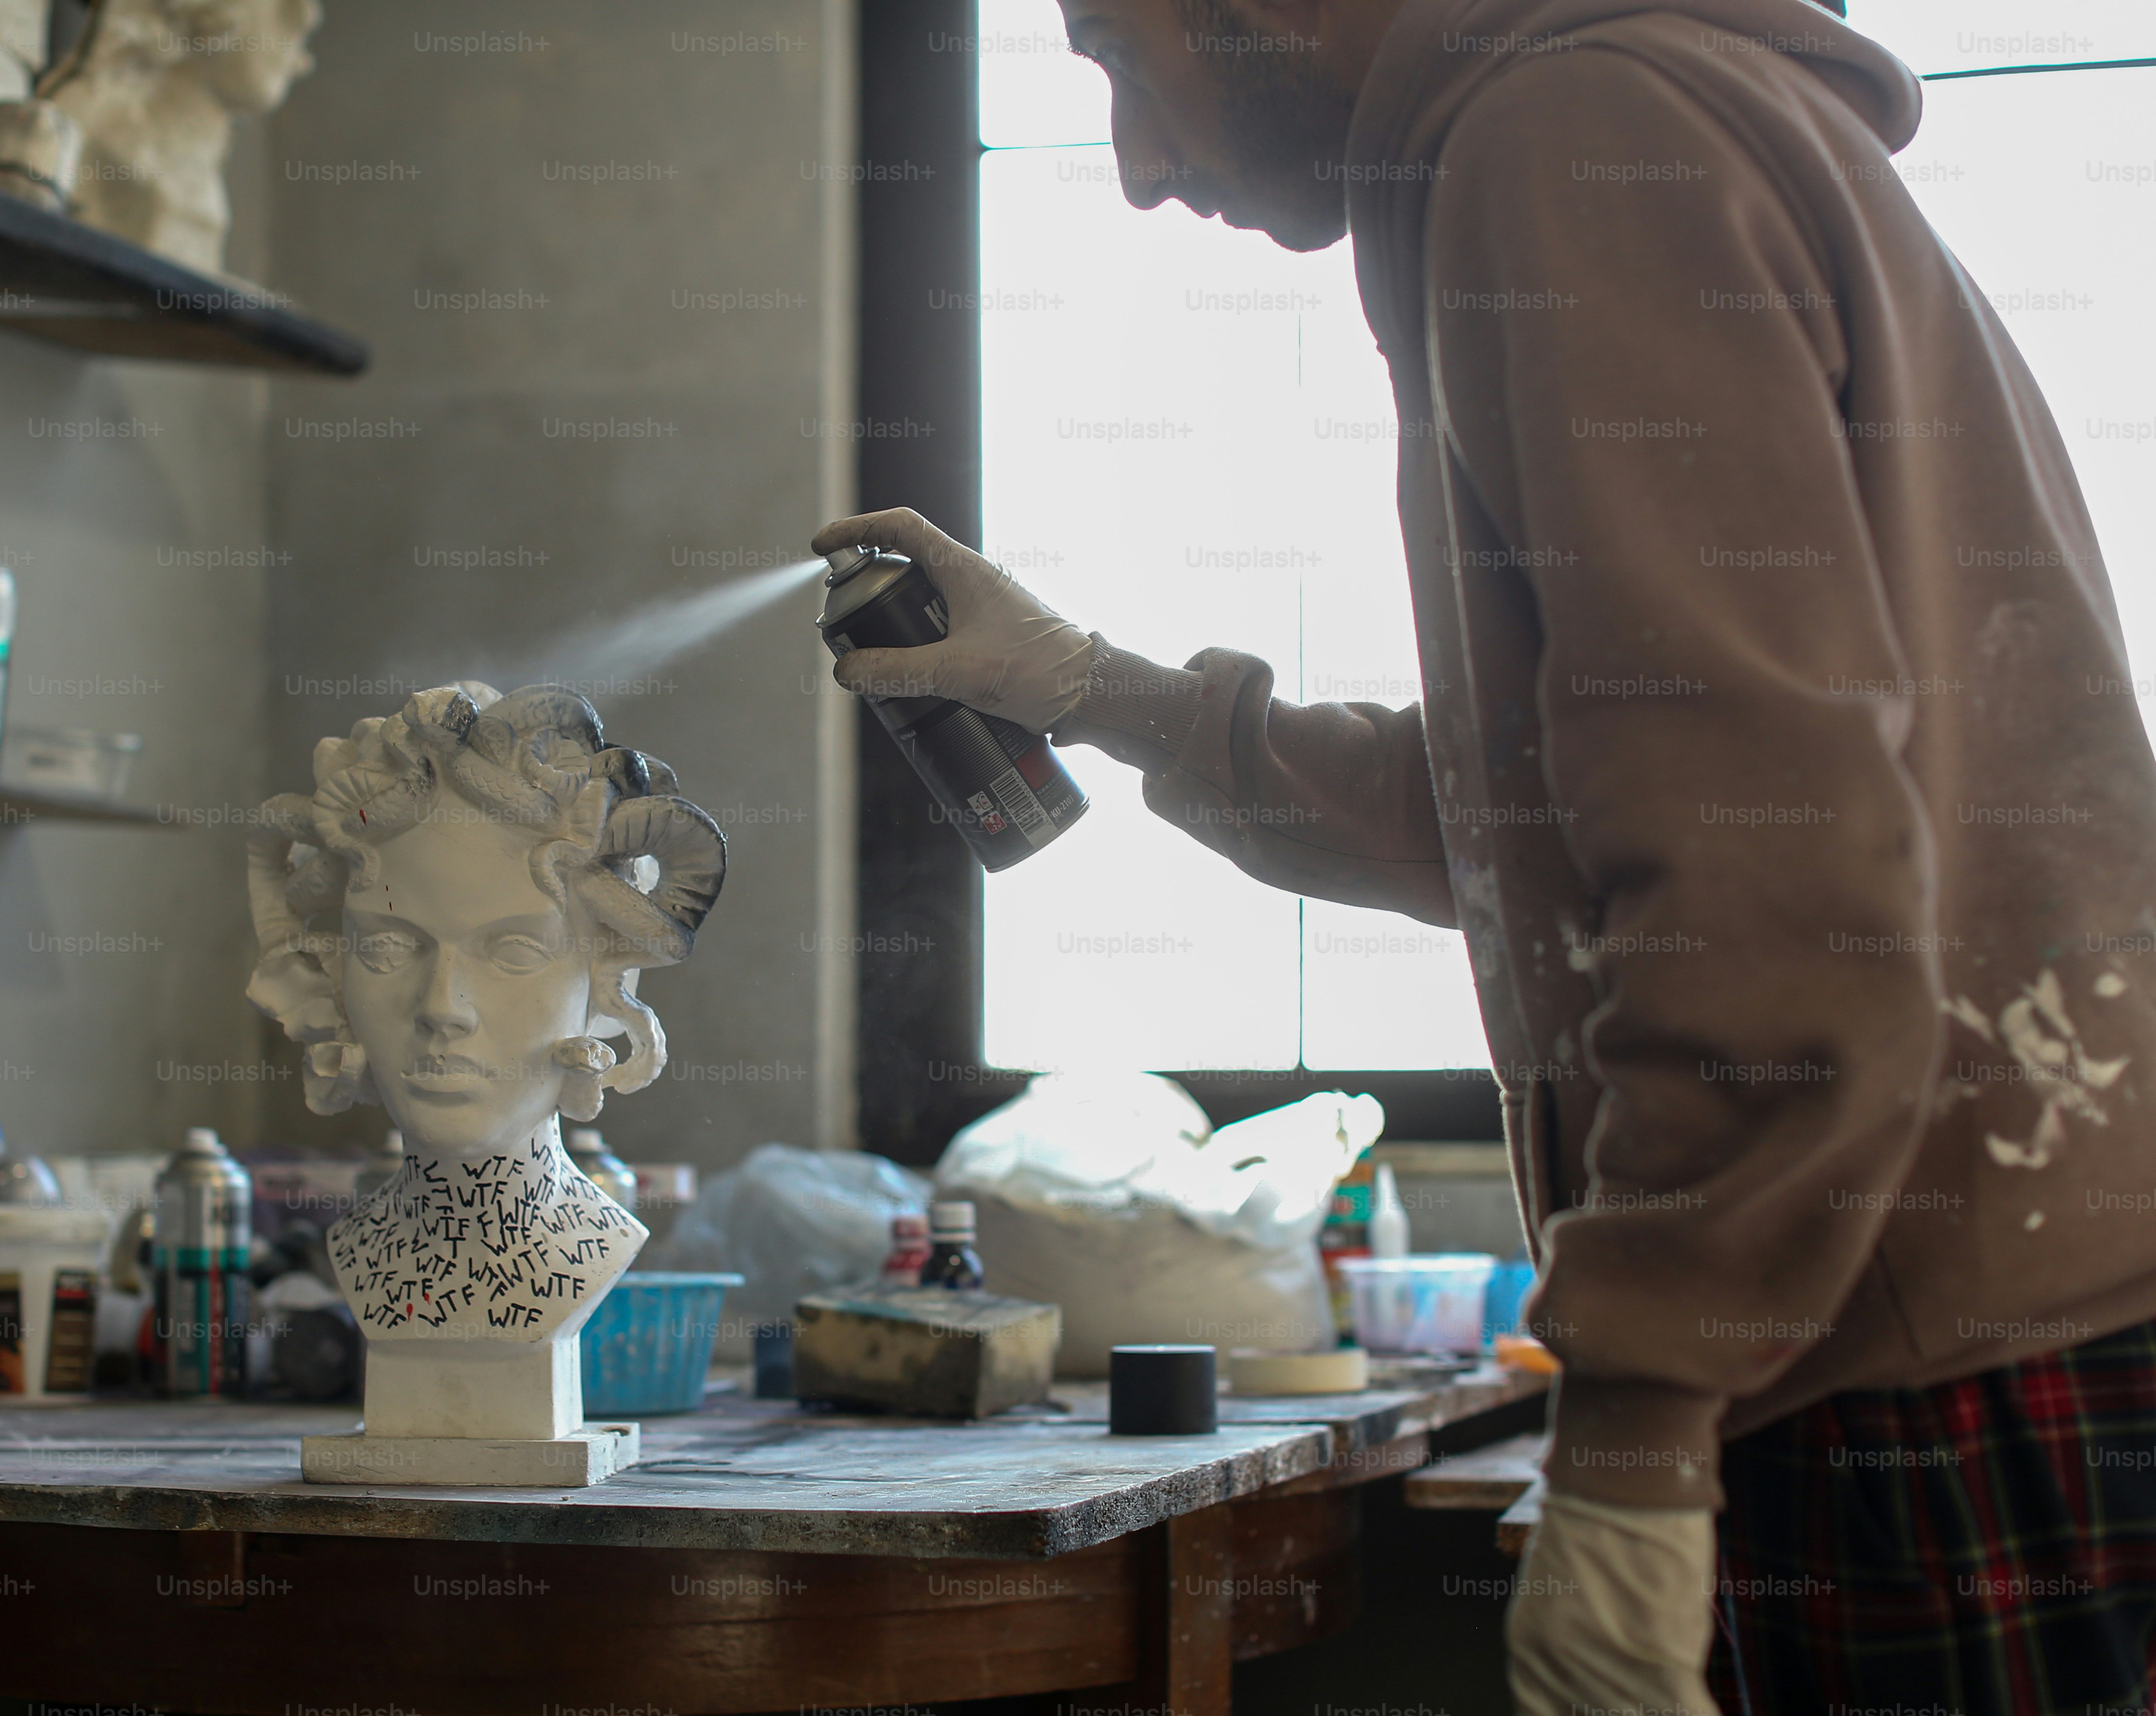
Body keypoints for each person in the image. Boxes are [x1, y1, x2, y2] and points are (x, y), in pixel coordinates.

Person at [815, 0, 2156, 1710]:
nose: (1141, 166)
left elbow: (1764, 870)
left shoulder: (1564, 140)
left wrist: (1640, 1426)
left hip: (1907, 1347)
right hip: (1959, 1300)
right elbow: (1570, 822)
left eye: (1121, 61)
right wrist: (1094, 690)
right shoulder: (1647, 115)